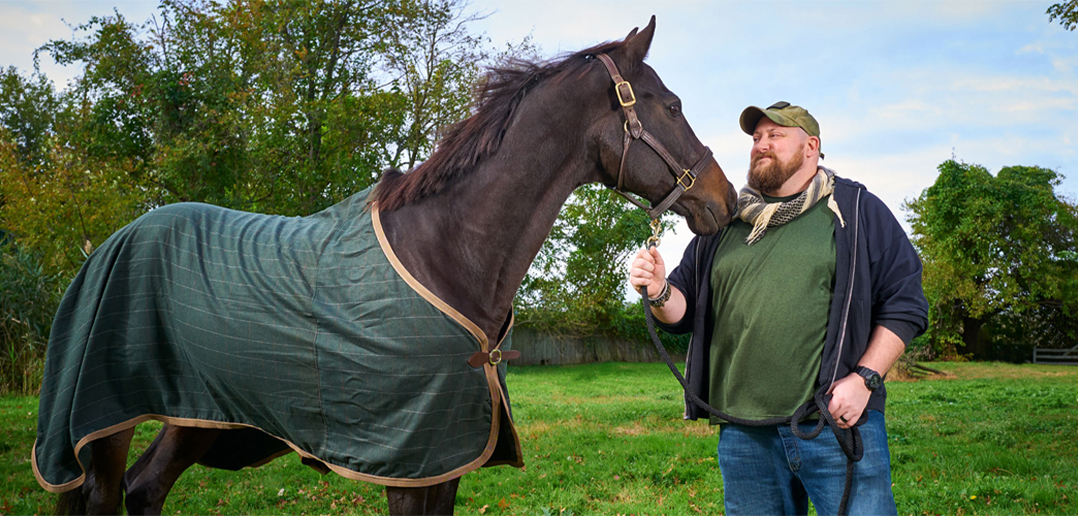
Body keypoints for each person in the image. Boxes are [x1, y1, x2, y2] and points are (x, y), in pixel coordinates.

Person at [629, 101, 928, 515]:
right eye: (756, 138)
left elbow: (906, 304)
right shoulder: (725, 222)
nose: (761, 145)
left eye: (775, 135)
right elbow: (680, 311)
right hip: (744, 434)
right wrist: (659, 289)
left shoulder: (856, 210)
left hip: (834, 422)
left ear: (811, 146)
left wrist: (864, 380)